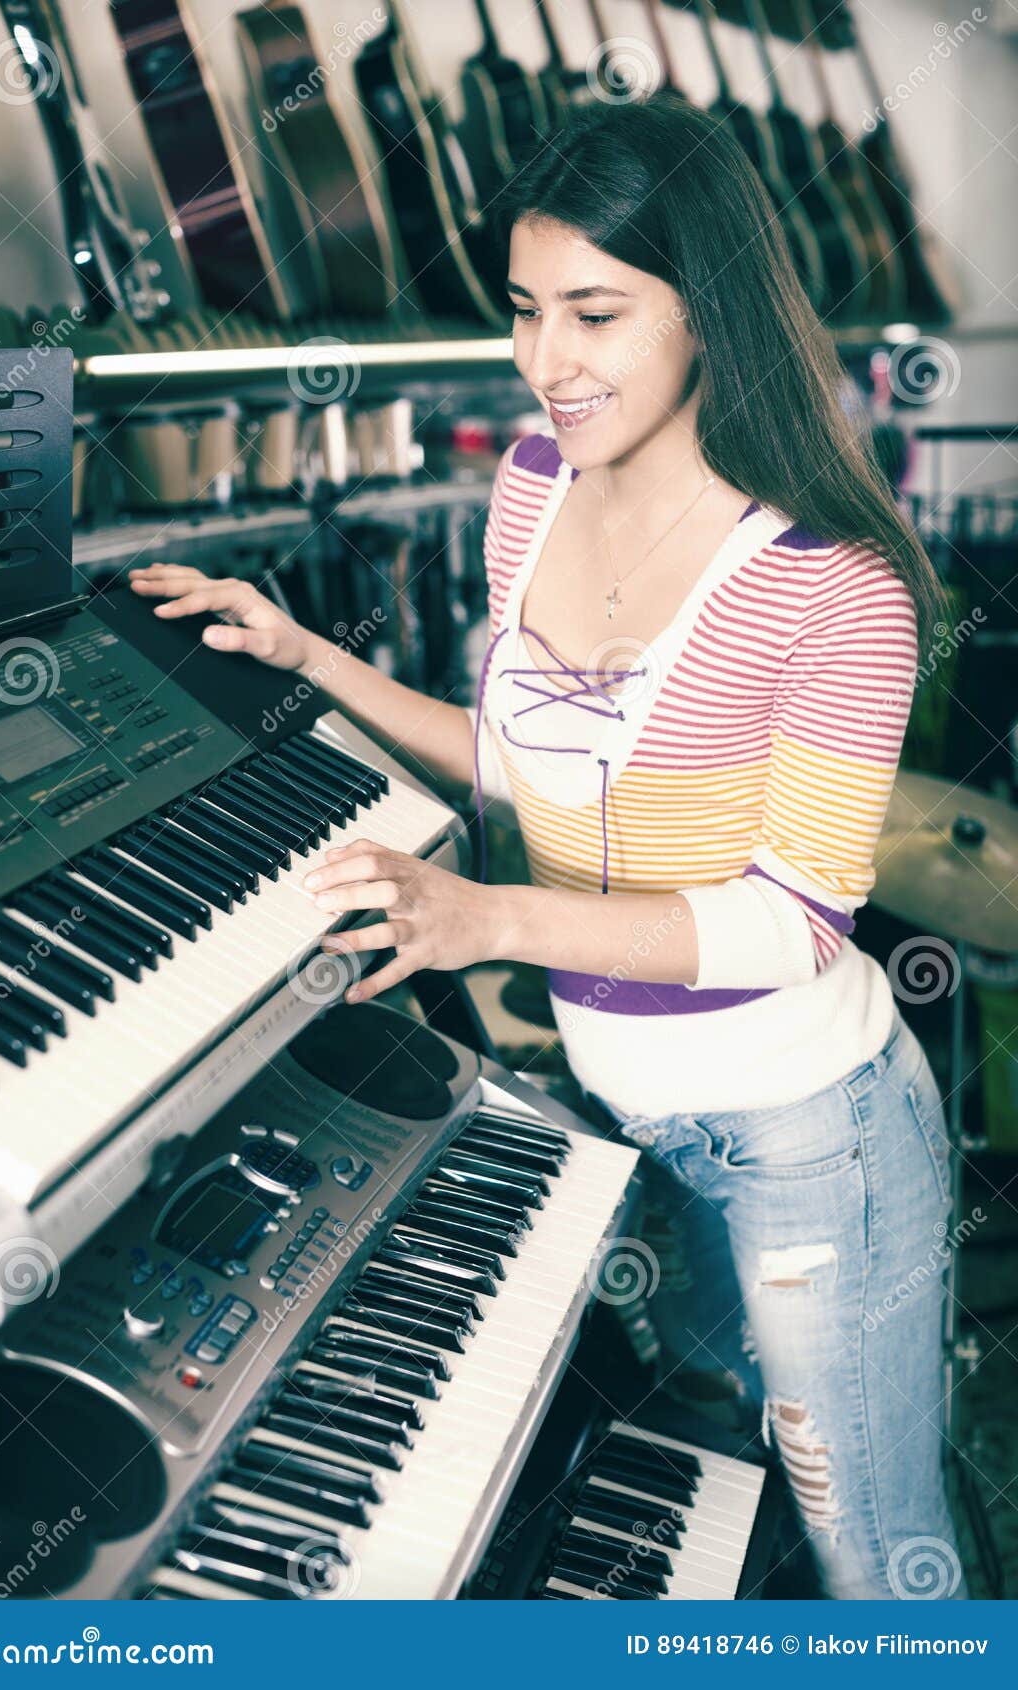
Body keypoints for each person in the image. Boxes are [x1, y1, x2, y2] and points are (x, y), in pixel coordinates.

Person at [130, 94, 965, 1600]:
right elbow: (533, 766)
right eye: (524, 310)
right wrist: (311, 654)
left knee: (870, 1550)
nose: (544, 362)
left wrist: (486, 921)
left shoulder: (834, 586)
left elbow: (793, 922)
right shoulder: (530, 485)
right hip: (638, 1110)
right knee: (719, 1468)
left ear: (708, 309)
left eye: (595, 311)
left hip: (809, 1138)